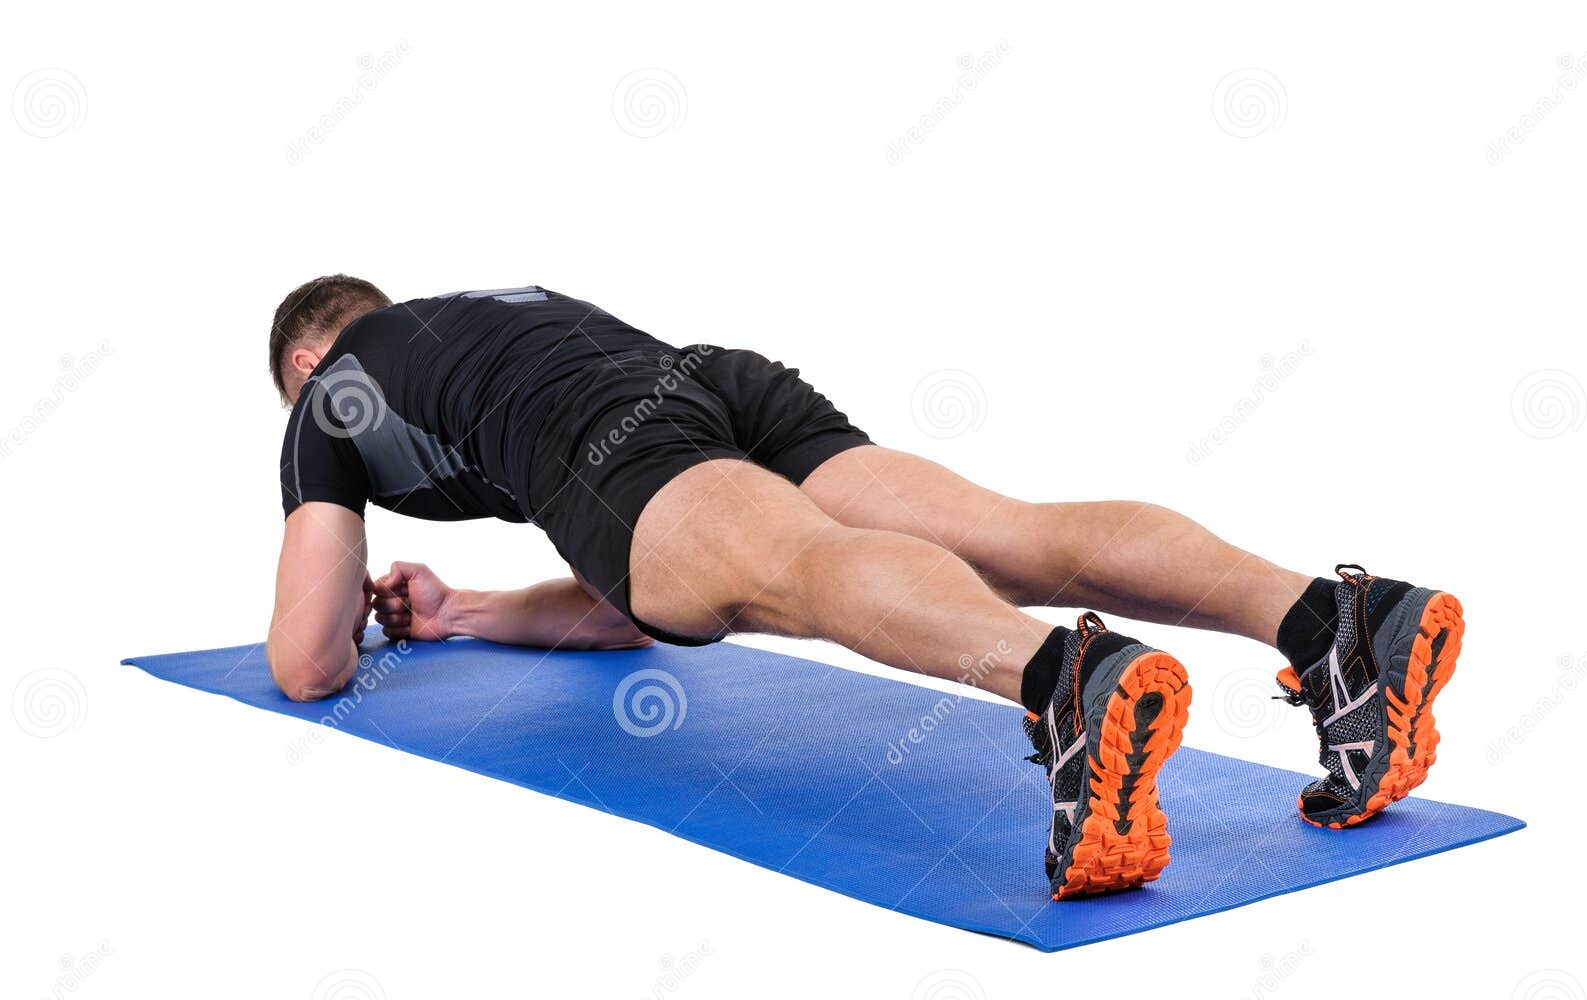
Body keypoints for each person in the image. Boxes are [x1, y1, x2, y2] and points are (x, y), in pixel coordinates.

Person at [266, 275, 1465, 899]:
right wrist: (467, 610)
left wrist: (327, 494)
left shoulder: (337, 391)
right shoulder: (490, 318)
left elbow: (308, 665)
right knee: (1011, 532)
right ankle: (1333, 620)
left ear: (310, 362)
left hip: (608, 440)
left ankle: (1061, 682)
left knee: (789, 565)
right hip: (706, 380)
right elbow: (637, 598)